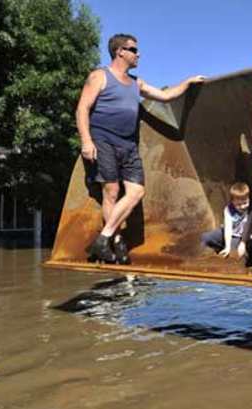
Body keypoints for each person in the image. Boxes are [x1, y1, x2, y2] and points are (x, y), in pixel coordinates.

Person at [76, 33, 204, 263]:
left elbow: (165, 96)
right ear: (120, 52)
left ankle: (103, 239)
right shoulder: (100, 76)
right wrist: (86, 140)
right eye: (133, 50)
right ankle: (116, 242)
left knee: (136, 191)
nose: (138, 54)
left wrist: (187, 82)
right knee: (111, 192)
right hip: (103, 140)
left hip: (129, 144)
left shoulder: (137, 83)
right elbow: (82, 108)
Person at [200, 182, 252, 259]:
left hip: (243, 238)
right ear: (232, 201)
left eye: (245, 203)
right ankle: (219, 249)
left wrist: (242, 244)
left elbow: (249, 229)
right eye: (238, 204)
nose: (242, 207)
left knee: (233, 253)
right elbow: (228, 228)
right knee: (205, 237)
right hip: (230, 234)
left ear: (249, 199)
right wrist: (227, 246)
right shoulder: (228, 209)